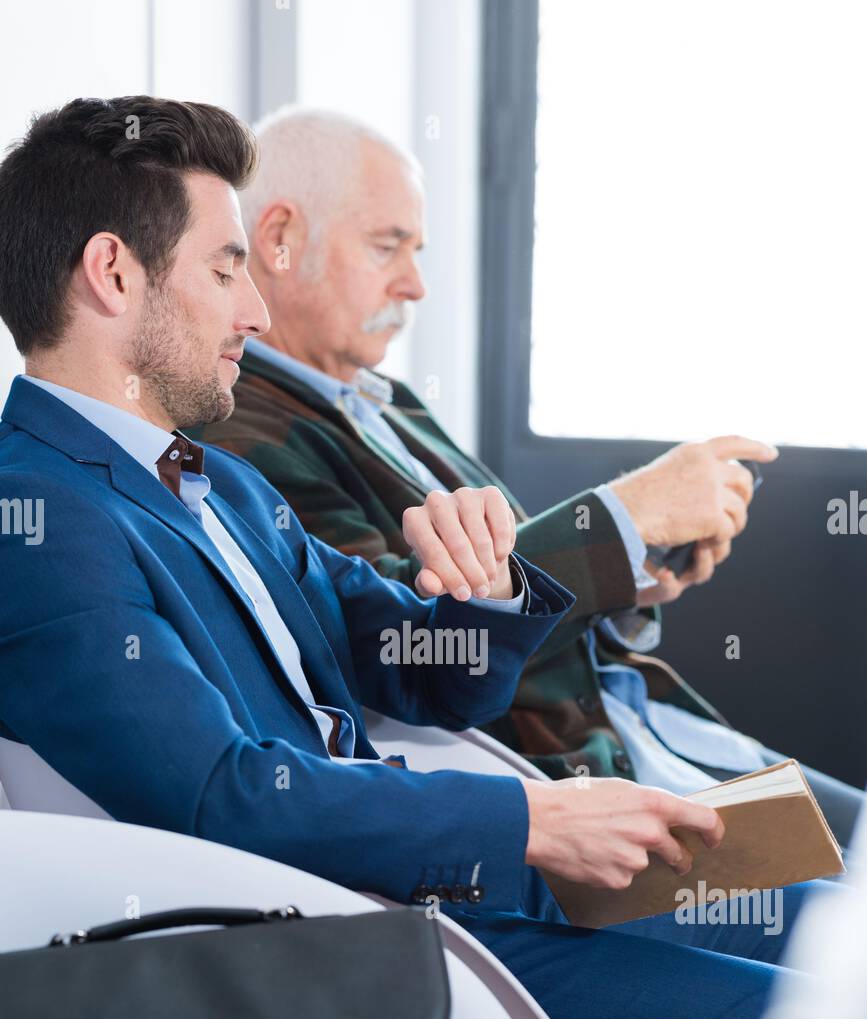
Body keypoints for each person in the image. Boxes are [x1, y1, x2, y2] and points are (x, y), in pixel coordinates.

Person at [0, 97, 841, 1019]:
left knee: (838, 932)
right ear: (115, 275)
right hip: (366, 941)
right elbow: (223, 798)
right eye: (226, 269)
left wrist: (485, 584)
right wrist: (533, 821)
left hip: (460, 877)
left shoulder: (215, 482)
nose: (253, 314)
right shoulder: (37, 521)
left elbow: (408, 663)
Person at [196, 106, 863, 849]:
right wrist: (623, 517)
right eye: (388, 246)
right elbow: (410, 636)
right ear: (280, 239)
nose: (415, 285)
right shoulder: (234, 433)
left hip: (643, 726)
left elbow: (498, 573)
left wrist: (629, 577)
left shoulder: (384, 400)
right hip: (567, 778)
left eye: (417, 251)